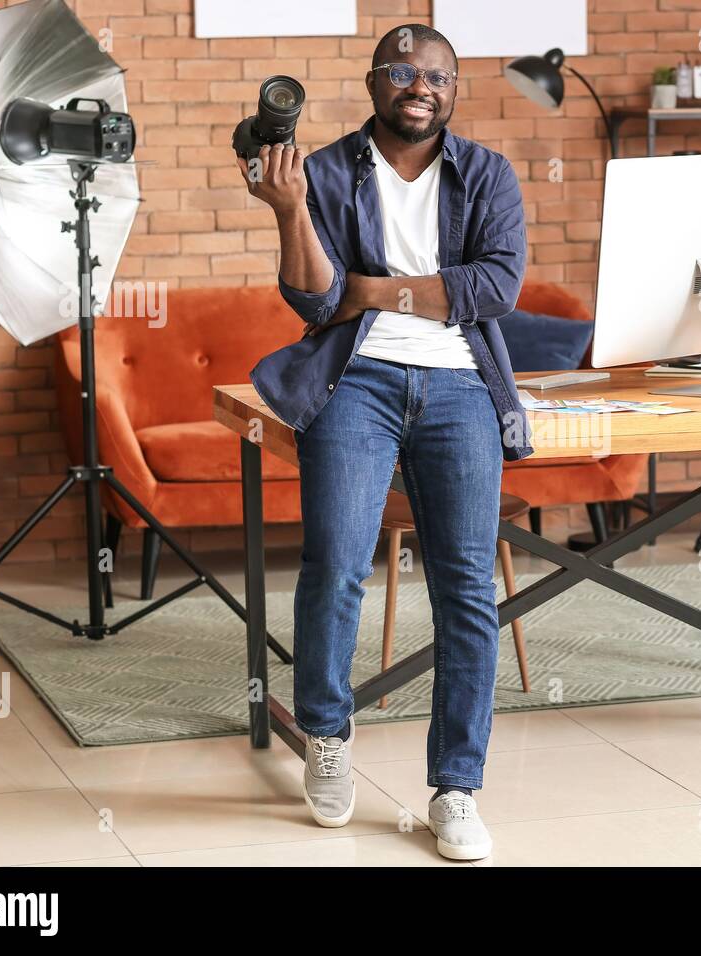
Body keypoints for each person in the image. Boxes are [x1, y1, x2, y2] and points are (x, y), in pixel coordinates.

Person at [237, 22, 531, 862]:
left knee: (467, 585)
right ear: (374, 82)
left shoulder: (486, 174)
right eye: (403, 72)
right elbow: (315, 304)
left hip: (461, 386)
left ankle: (457, 788)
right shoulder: (324, 172)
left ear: (452, 90)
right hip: (353, 383)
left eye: (437, 75)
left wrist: (375, 289)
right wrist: (292, 211)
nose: (421, 86)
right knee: (334, 565)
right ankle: (326, 736)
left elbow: (496, 287)